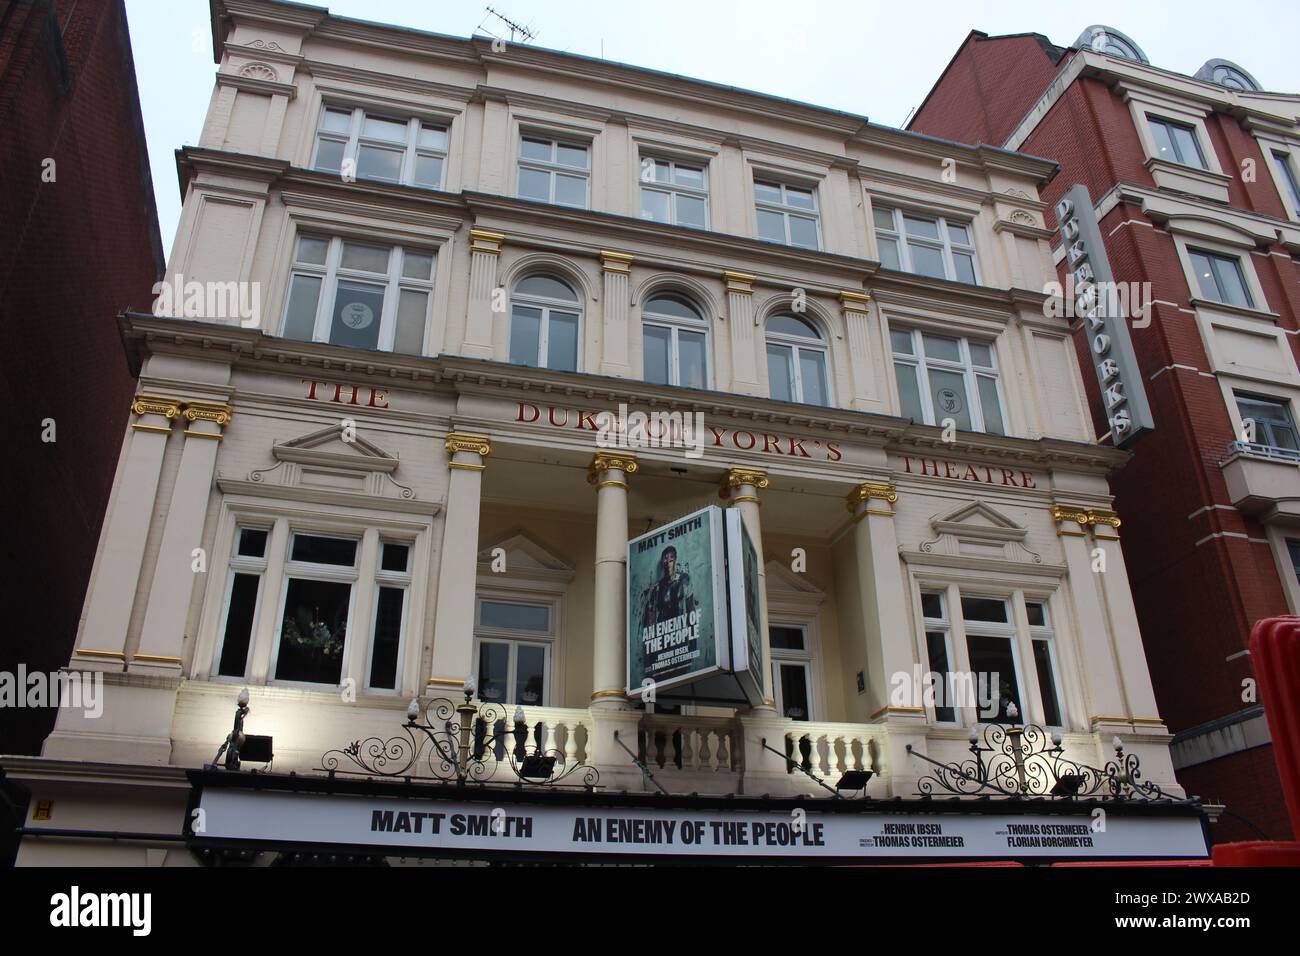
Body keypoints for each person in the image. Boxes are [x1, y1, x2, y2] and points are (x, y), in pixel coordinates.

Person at [641, 545, 696, 627]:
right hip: (663, 633)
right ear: (663, 562)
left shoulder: (684, 581)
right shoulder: (656, 589)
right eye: (665, 559)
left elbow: (691, 609)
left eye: (671, 559)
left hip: (681, 631)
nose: (668, 563)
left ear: (675, 560)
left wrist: (692, 636)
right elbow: (650, 619)